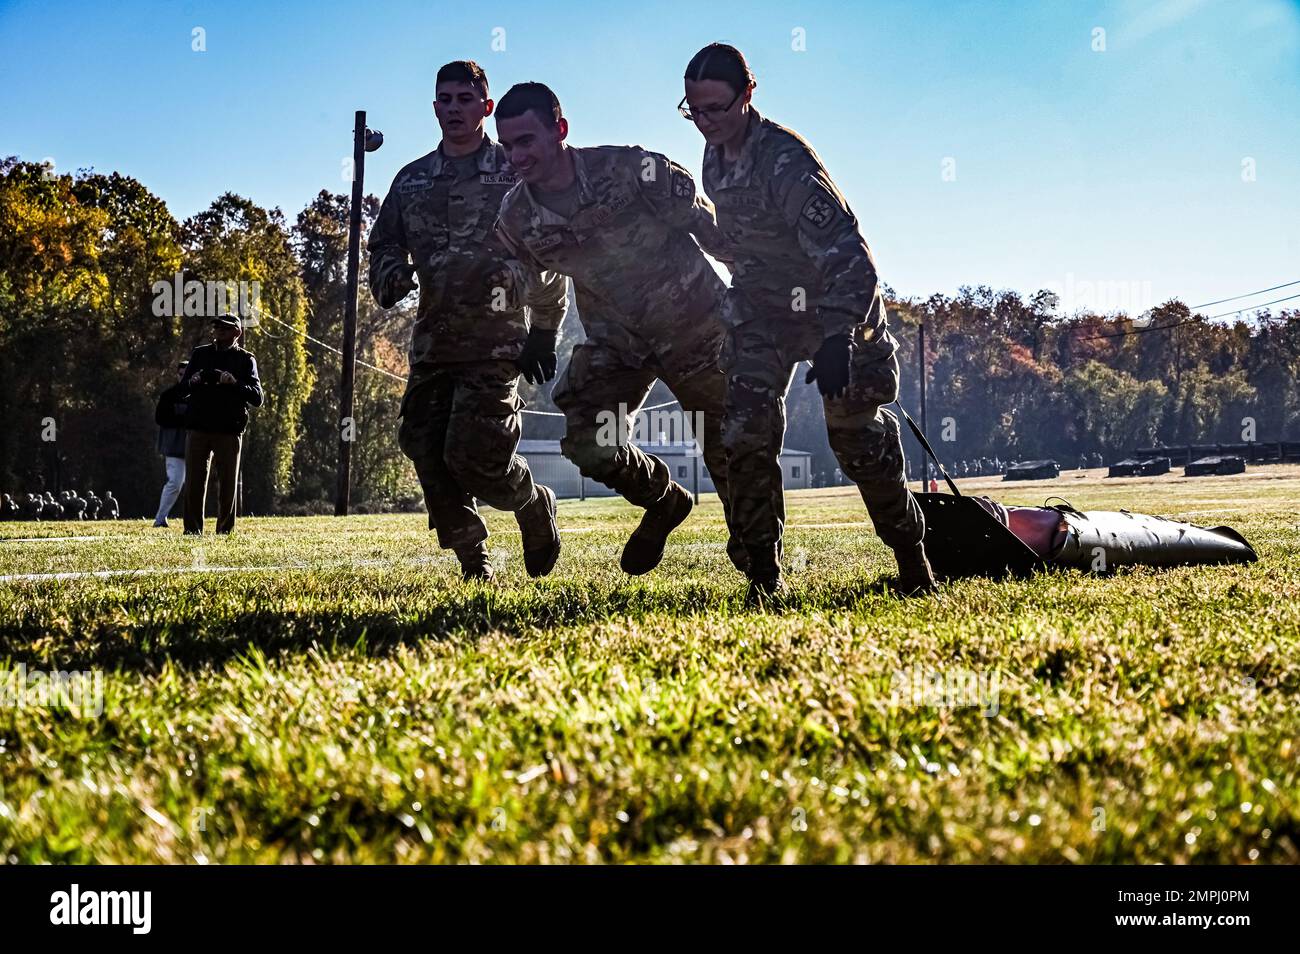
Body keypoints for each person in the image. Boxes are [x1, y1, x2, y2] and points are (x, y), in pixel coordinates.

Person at [682, 43, 935, 600]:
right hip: (766, 313)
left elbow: (852, 256)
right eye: (693, 111)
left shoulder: (785, 161)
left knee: (855, 441)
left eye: (716, 110)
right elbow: (747, 242)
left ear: (749, 95)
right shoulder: (714, 156)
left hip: (833, 307)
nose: (704, 123)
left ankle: (914, 565)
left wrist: (840, 335)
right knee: (744, 434)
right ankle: (763, 579)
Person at [494, 82, 746, 576]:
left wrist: (758, 288)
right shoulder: (517, 215)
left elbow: (708, 225)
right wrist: (541, 333)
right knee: (588, 440)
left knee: (734, 454)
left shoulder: (631, 169)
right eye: (507, 145)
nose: (516, 156)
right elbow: (528, 277)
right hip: (619, 344)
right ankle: (664, 499)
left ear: (560, 130)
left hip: (697, 330)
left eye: (526, 141)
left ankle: (761, 569)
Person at [368, 60, 566, 580]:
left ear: (487, 106)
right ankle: (472, 558)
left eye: (465, 98)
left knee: (476, 458)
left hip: (498, 342)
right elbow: (384, 243)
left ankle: (531, 502)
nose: (454, 108)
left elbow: (550, 250)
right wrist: (392, 275)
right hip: (434, 342)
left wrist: (545, 330)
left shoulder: (514, 170)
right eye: (445, 99)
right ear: (435, 107)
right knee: (425, 448)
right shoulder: (410, 181)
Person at [182, 314, 263, 534]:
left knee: (228, 485)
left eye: (225, 329)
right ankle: (192, 530)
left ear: (237, 332)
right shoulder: (200, 354)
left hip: (229, 428)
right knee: (193, 483)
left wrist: (235, 383)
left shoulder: (246, 360)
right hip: (198, 426)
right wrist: (193, 381)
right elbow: (182, 390)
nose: (219, 332)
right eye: (217, 328)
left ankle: (225, 531)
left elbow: (257, 397)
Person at [153, 361, 190, 527]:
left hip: (195, 446)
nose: (183, 377)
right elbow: (160, 418)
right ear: (177, 374)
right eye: (180, 374)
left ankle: (193, 521)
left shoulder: (199, 394)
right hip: (175, 447)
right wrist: (183, 418)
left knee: (194, 485)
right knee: (175, 482)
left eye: (186, 374)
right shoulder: (169, 395)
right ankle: (160, 519)